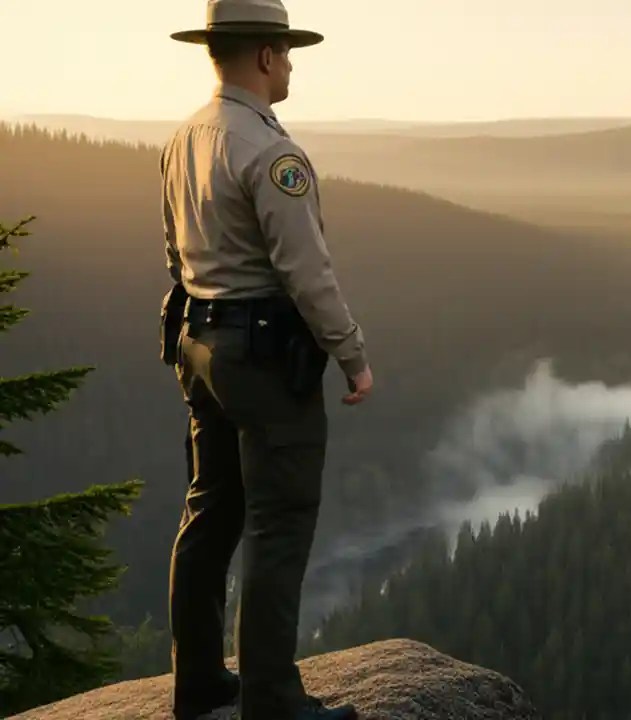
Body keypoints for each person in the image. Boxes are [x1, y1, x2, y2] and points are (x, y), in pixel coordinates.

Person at [160, 1, 371, 718]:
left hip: (196, 343)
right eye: (285, 50)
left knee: (210, 512)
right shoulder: (271, 153)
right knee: (279, 521)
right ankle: (273, 701)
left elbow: (174, 250)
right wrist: (353, 357)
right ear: (262, 56)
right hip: (260, 358)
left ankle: (196, 684)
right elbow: (308, 272)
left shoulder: (184, 136)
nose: (290, 63)